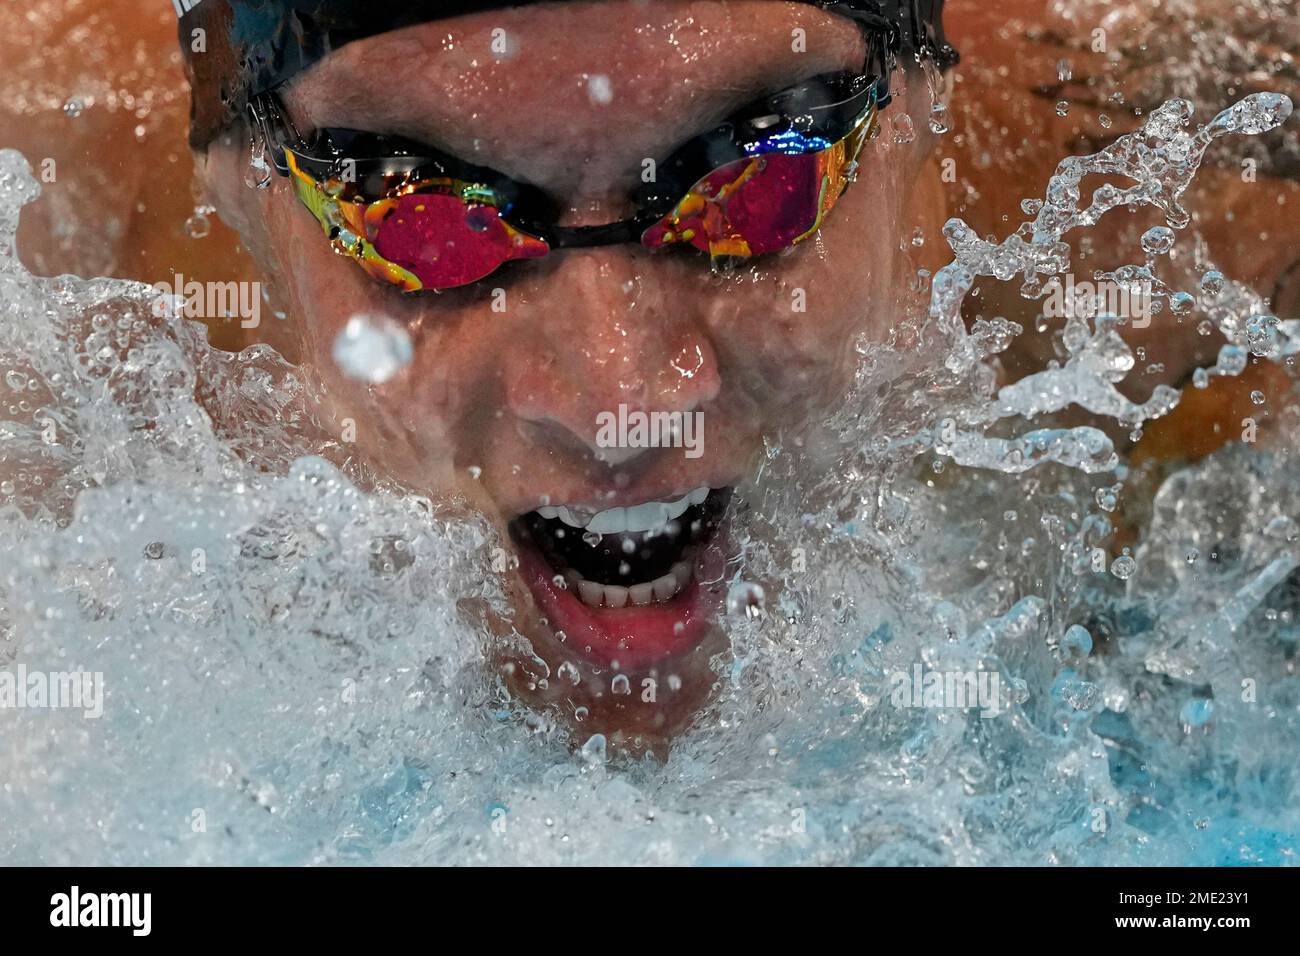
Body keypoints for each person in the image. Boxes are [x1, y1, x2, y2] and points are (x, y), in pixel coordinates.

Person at [175, 0, 958, 751]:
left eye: (759, 184)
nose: (618, 403)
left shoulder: (1072, 251)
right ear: (241, 186)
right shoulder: (90, 333)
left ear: (924, 102)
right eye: (424, 222)